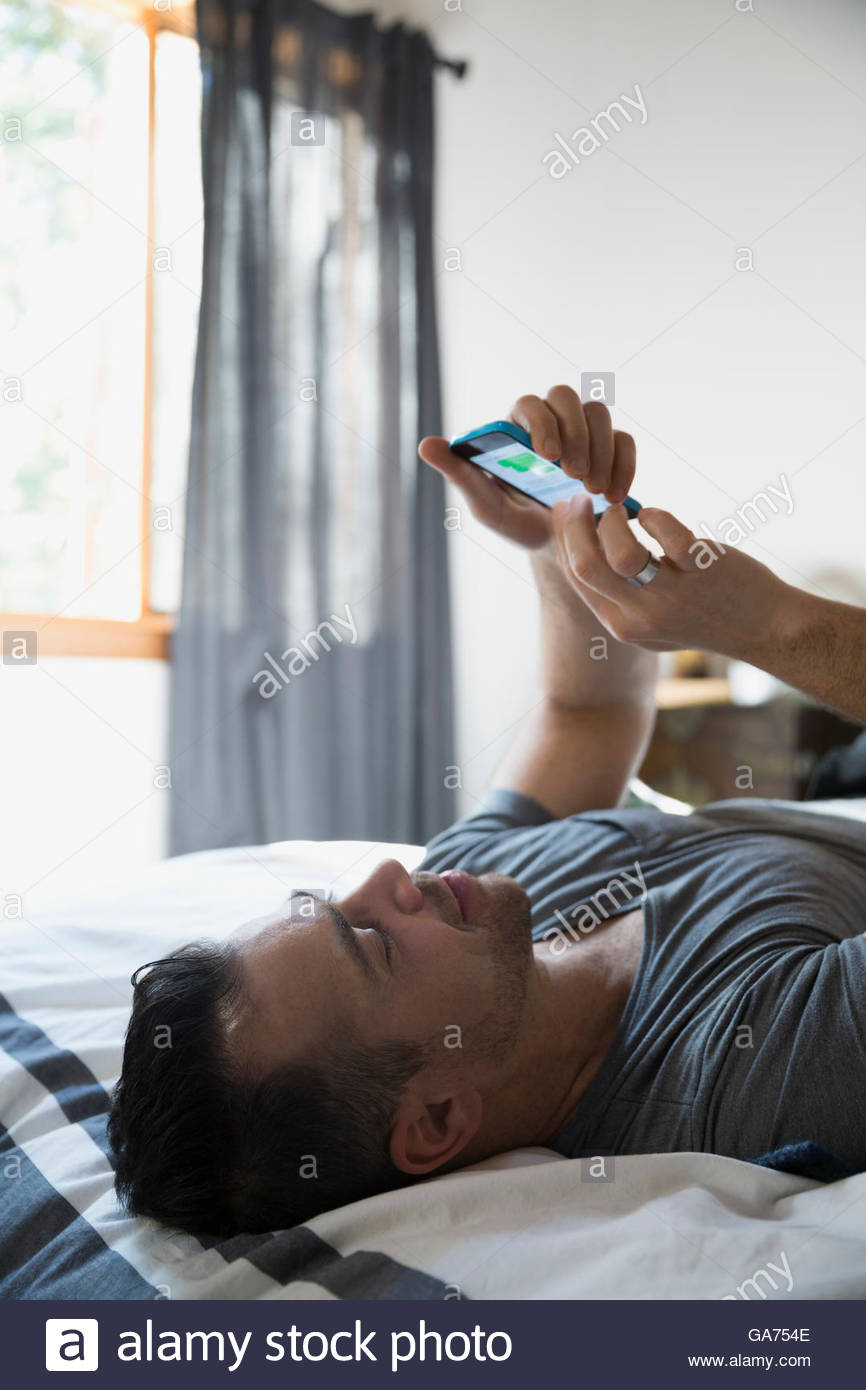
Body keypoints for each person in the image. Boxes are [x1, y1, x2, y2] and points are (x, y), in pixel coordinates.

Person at [109, 385, 866, 1238]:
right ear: (436, 1122)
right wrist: (768, 625)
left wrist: (560, 544)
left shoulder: (483, 909)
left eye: (332, 905)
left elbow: (588, 714)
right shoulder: (751, 1074)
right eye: (367, 942)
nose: (393, 875)